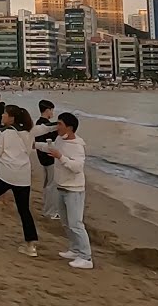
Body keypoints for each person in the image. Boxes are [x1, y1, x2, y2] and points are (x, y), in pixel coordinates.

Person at [0, 105, 54, 256]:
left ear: (12, 118)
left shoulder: (3, 132)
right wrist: (60, 124)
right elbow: (46, 128)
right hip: (23, 176)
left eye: (4, 114)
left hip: (5, 173)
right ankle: (31, 245)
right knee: (24, 209)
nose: (2, 116)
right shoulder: (30, 130)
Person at [38, 112, 92, 269]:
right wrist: (33, 145)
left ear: (69, 127)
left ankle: (86, 257)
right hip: (61, 186)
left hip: (74, 189)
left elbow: (77, 167)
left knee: (76, 223)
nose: (57, 126)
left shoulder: (77, 146)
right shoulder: (60, 139)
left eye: (60, 124)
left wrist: (60, 157)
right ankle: (75, 249)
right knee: (66, 222)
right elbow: (51, 148)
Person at [36, 100, 61, 220]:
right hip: (49, 158)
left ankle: (47, 208)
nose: (53, 112)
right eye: (52, 110)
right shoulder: (46, 126)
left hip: (42, 157)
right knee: (51, 185)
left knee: (47, 184)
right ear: (47, 110)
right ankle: (50, 211)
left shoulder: (39, 123)